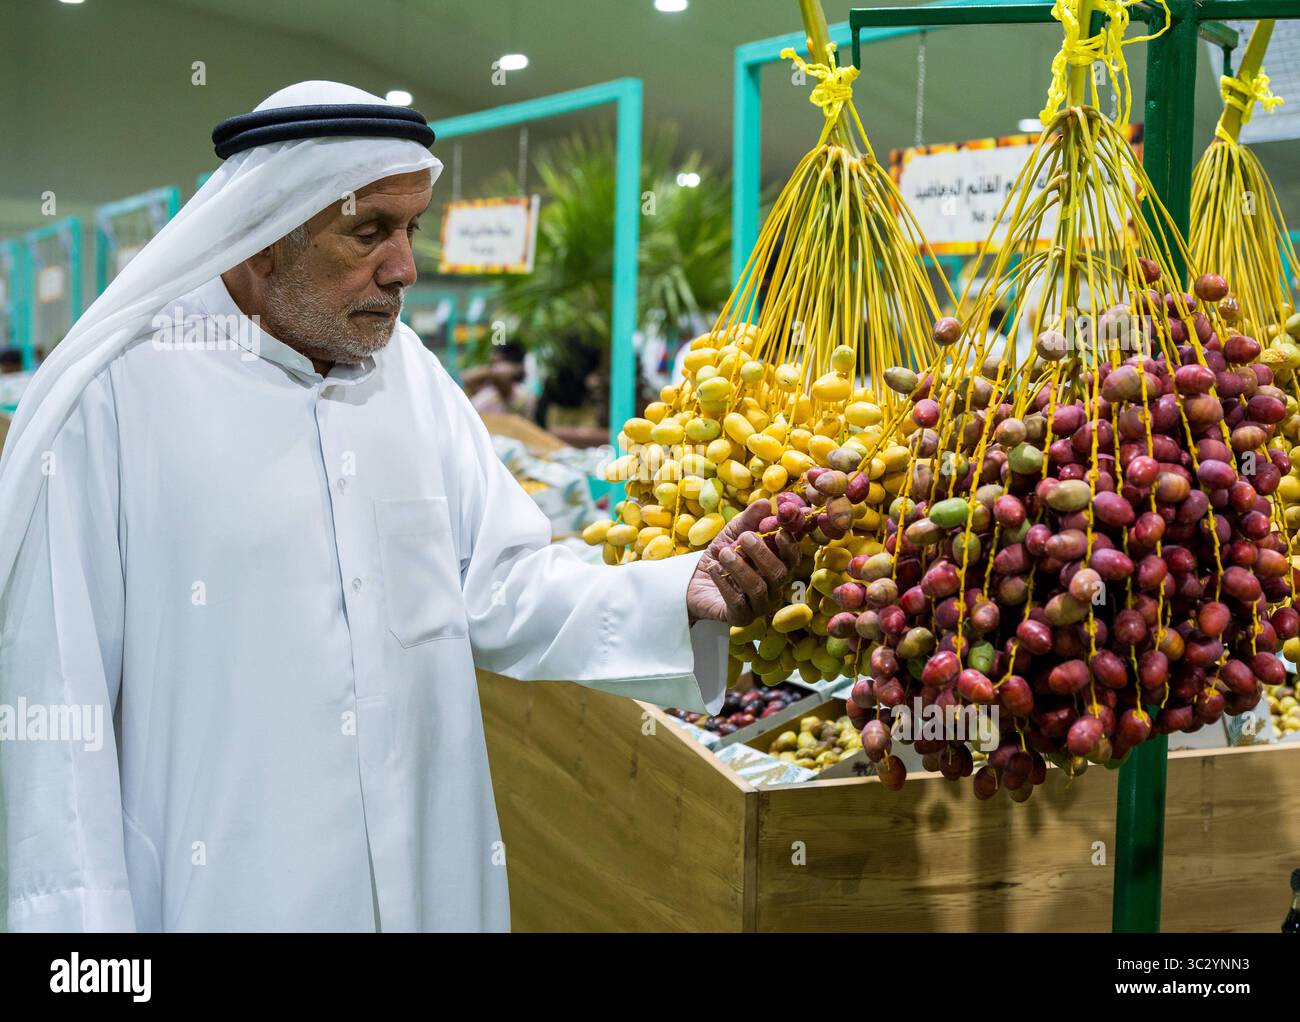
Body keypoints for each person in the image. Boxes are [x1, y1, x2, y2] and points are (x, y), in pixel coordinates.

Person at [0, 82, 797, 933]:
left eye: (410, 229)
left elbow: (504, 582)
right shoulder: (114, 400)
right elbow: (57, 721)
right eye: (369, 231)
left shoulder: (409, 377)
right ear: (263, 237)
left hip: (427, 887)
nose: (405, 267)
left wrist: (683, 591)